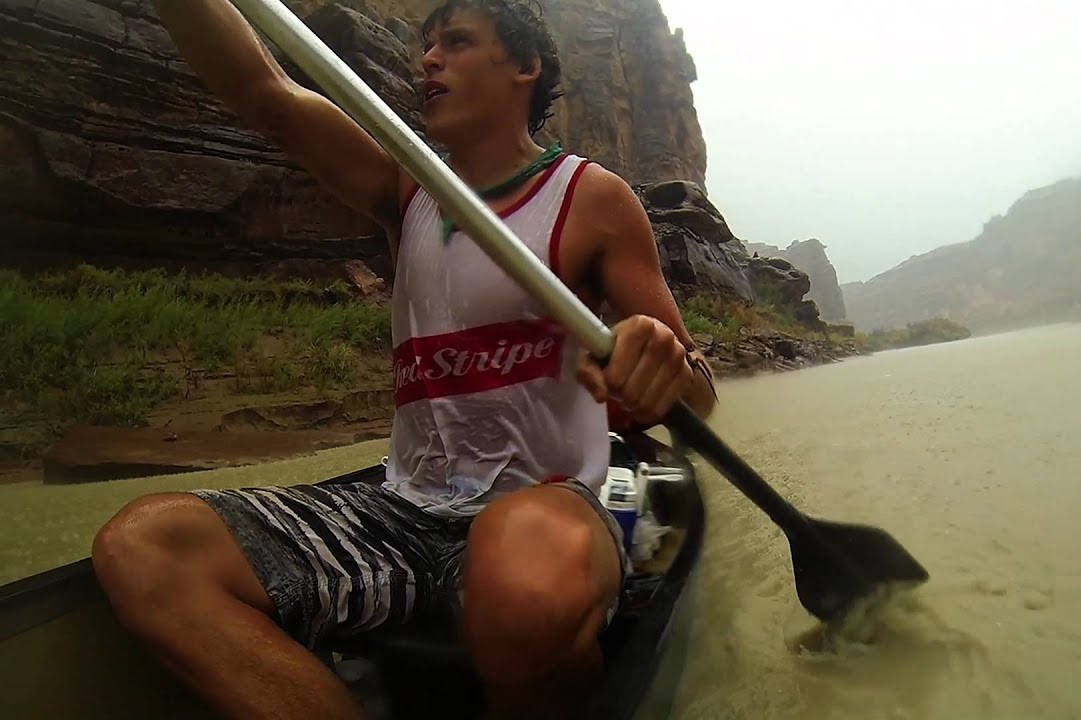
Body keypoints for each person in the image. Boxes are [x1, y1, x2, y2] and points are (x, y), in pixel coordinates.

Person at [89, 1, 718, 718]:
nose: (428, 59)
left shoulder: (591, 197)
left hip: (549, 504)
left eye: (455, 42)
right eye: (426, 46)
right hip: (402, 509)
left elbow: (696, 390)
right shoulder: (407, 188)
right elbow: (269, 99)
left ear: (524, 67)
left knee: (520, 574)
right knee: (147, 549)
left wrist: (664, 360)